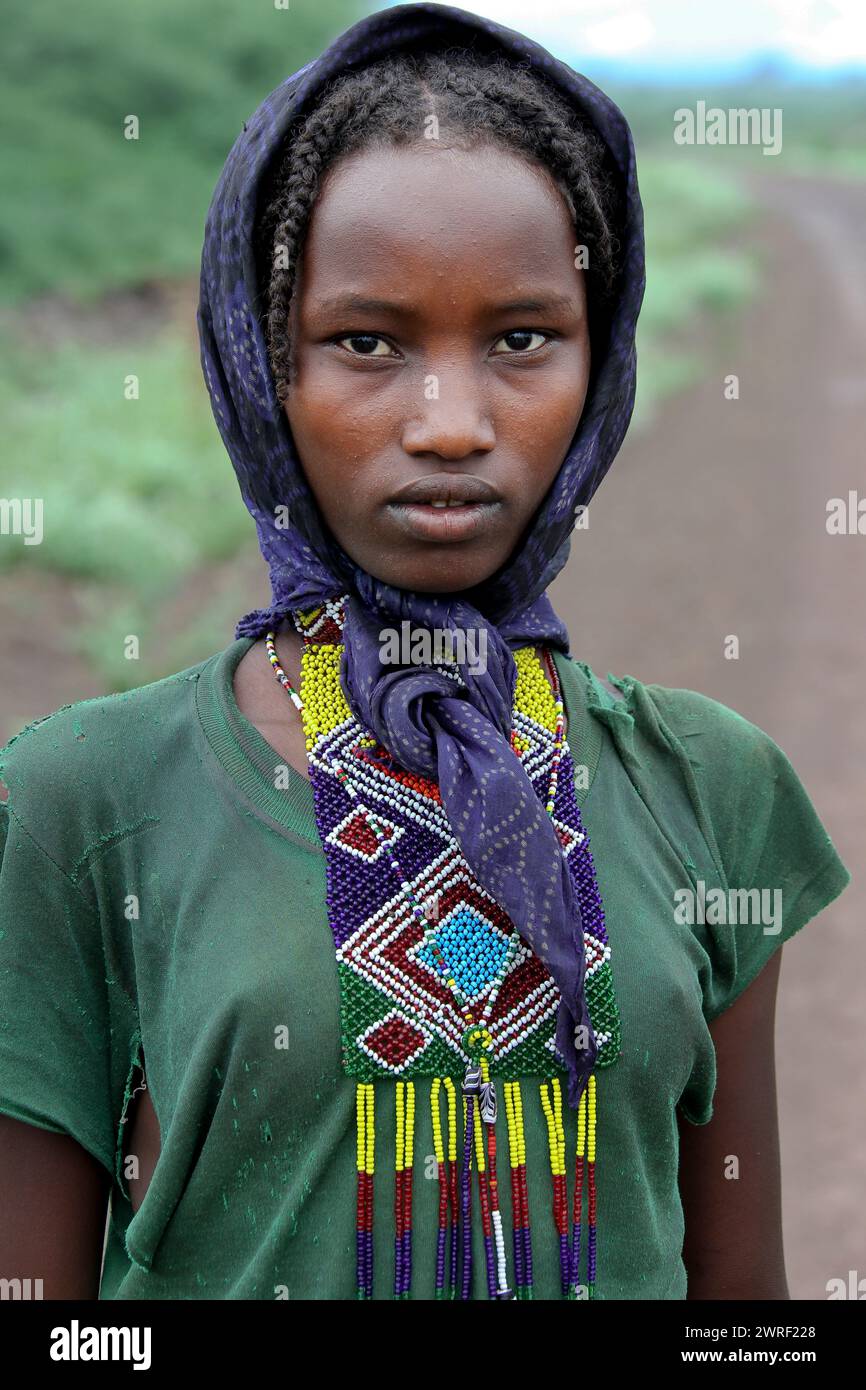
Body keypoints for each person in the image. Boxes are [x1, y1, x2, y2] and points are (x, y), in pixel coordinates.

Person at [0, 2, 850, 1301]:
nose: (449, 424)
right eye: (365, 341)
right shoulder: (77, 803)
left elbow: (744, 1316)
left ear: (598, 355)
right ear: (258, 363)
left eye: (520, 339)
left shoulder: (709, 787)